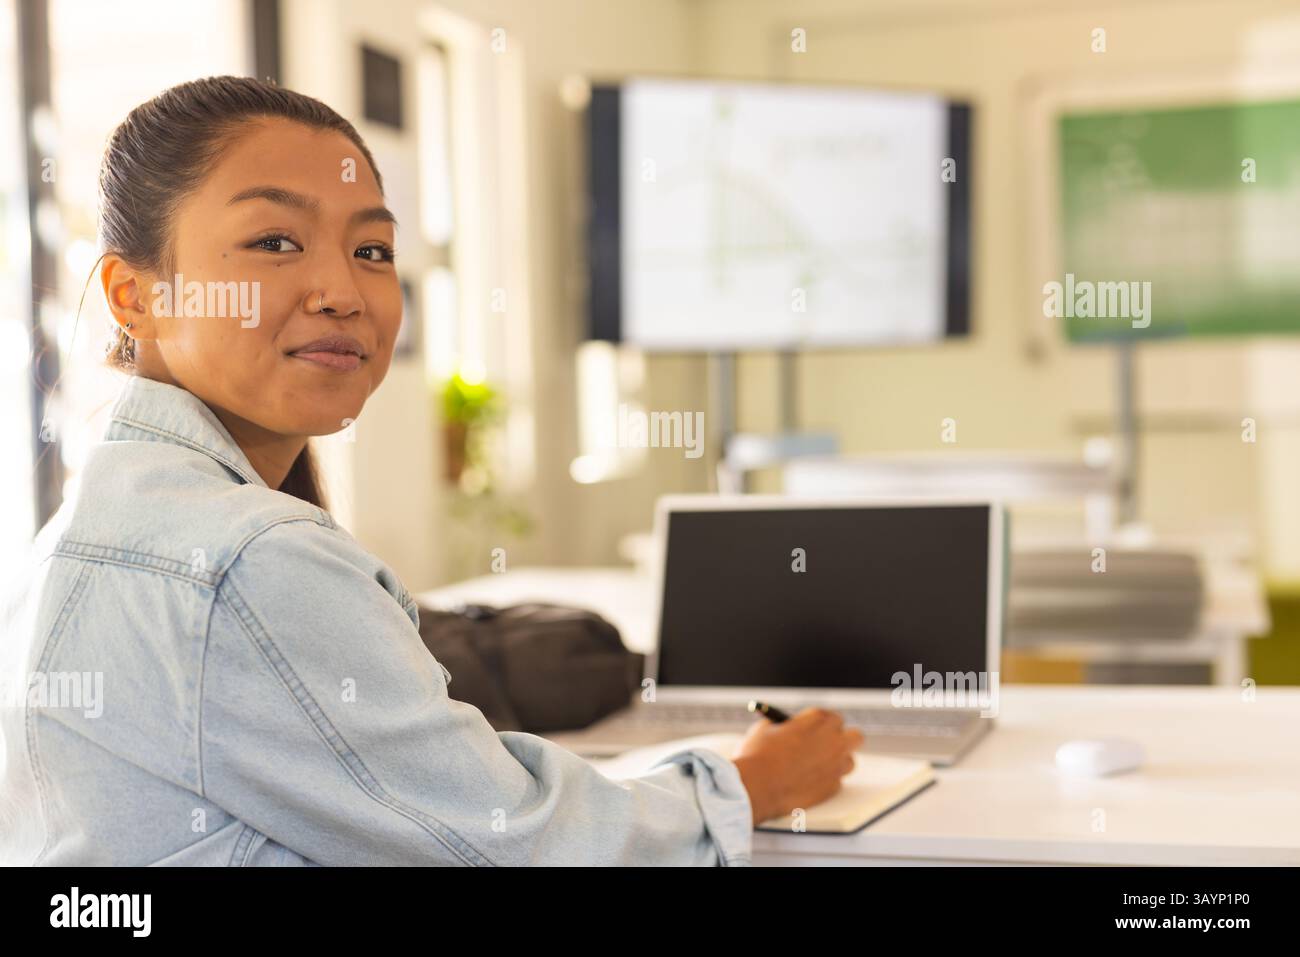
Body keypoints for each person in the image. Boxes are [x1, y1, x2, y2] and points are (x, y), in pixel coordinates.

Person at [0, 76, 861, 866]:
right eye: (274, 240)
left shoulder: (86, 531)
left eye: (372, 250)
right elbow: (511, 845)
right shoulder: (244, 557)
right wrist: (749, 785)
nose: (341, 289)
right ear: (135, 295)